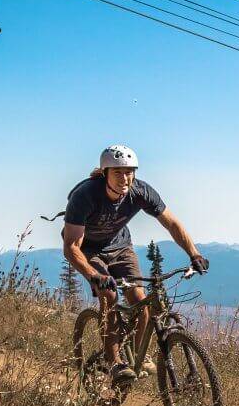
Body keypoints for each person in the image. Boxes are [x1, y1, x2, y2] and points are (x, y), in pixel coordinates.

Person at [61, 144, 208, 384]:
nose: (125, 178)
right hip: (88, 249)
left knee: (141, 301)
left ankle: (140, 356)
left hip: (121, 247)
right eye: (118, 172)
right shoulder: (85, 196)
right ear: (105, 173)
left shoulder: (140, 192)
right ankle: (114, 362)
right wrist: (93, 275)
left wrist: (194, 254)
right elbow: (71, 248)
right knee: (108, 294)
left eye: (130, 172)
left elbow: (172, 223)